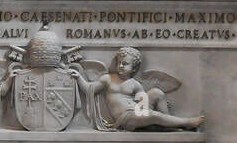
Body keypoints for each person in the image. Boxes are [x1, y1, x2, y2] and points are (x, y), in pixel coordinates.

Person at [72, 46, 203, 131]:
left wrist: (143, 107)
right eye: (119, 63)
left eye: (125, 63)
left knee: (157, 92)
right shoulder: (108, 78)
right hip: (126, 118)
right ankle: (186, 122)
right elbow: (89, 89)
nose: (121, 66)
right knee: (154, 115)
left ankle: (166, 124)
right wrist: (78, 77)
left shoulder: (134, 84)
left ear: (134, 68)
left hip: (136, 111)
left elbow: (143, 102)